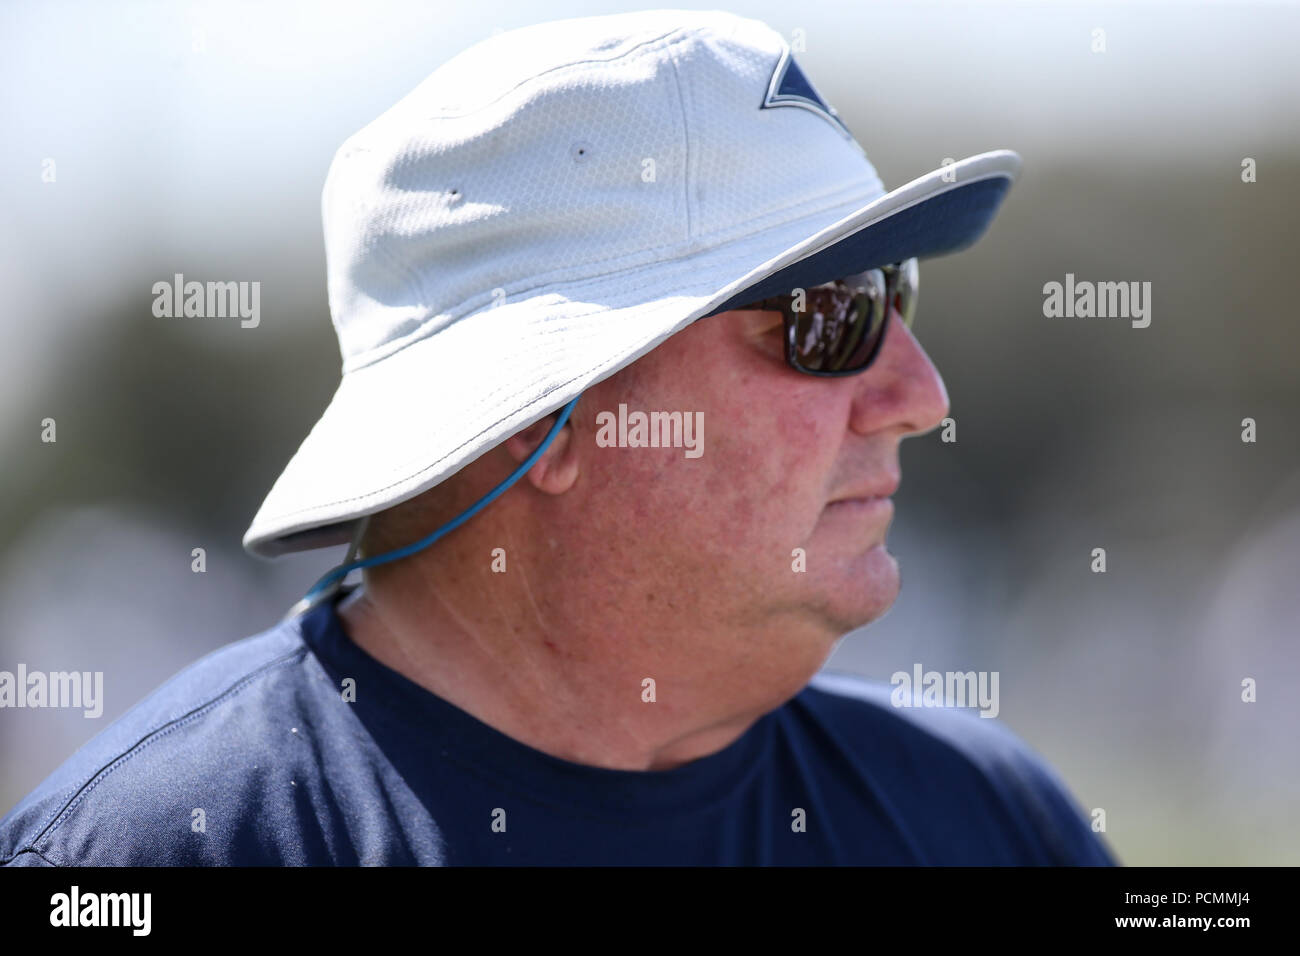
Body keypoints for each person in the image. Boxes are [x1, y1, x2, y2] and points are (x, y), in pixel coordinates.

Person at [0, 9, 1116, 866]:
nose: (919, 392)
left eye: (894, 291)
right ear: (546, 412)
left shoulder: (985, 816)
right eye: (831, 314)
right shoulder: (143, 856)